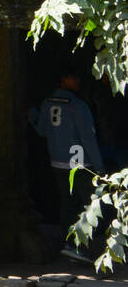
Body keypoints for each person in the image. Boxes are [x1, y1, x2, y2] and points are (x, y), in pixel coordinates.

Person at [30, 65, 104, 263]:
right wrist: (99, 167)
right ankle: (78, 246)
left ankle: (68, 244)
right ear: (64, 80)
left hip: (58, 163)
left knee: (67, 204)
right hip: (79, 164)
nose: (77, 82)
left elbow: (42, 130)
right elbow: (88, 138)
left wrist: (32, 114)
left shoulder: (47, 103)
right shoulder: (78, 106)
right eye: (74, 78)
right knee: (88, 206)